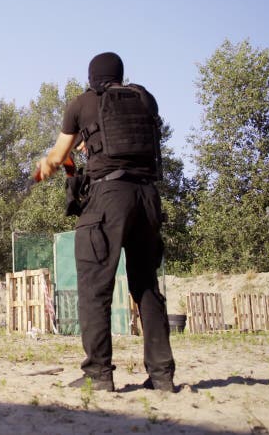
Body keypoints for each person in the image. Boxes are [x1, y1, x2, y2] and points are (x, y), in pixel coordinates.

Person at [37, 52, 176, 392]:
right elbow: (121, 135)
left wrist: (43, 168)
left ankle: (98, 374)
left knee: (95, 288)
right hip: (147, 198)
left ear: (92, 77)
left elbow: (58, 157)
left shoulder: (81, 103)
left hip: (108, 199)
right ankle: (162, 376)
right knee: (147, 287)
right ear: (120, 75)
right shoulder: (145, 99)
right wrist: (87, 147)